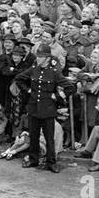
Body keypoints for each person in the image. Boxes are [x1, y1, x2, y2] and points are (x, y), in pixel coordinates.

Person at [23, 39, 65, 172]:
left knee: (49, 138)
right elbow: (19, 79)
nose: (38, 59)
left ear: (47, 58)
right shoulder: (34, 69)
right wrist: (28, 90)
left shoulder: (54, 72)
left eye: (41, 57)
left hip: (48, 110)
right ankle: (33, 160)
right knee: (34, 136)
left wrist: (57, 96)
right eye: (38, 56)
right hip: (34, 108)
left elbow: (69, 87)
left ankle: (51, 162)